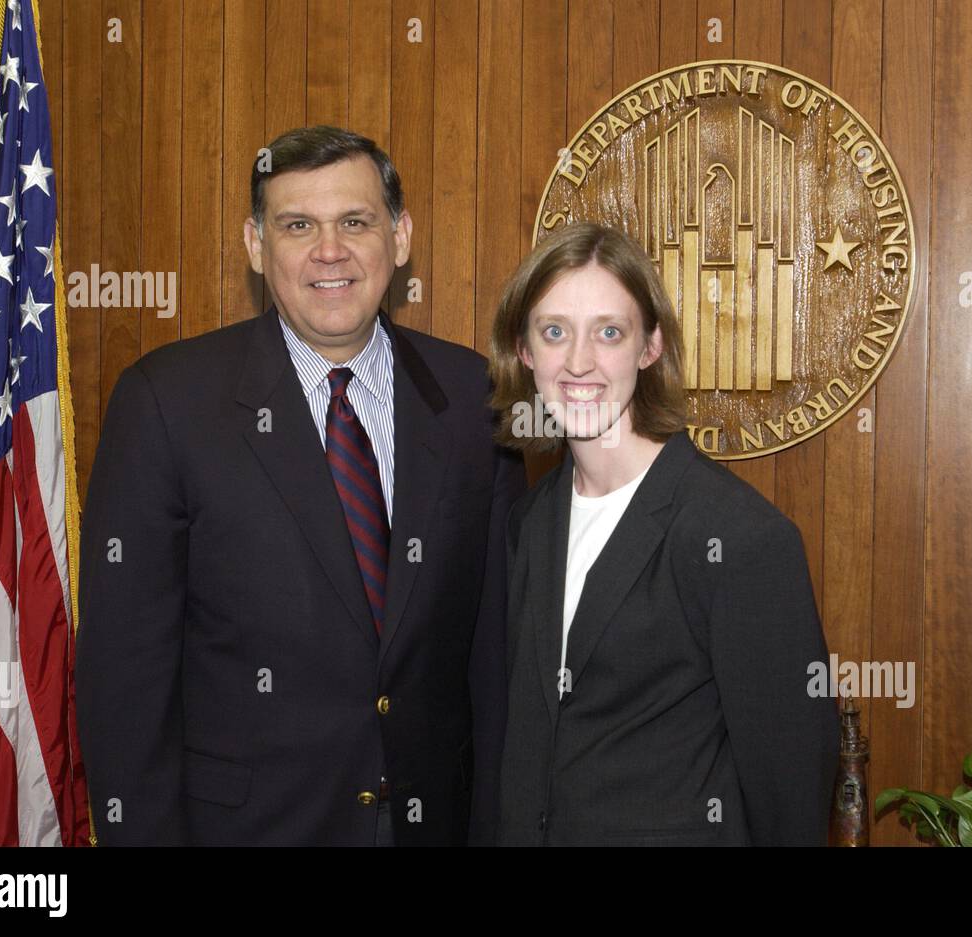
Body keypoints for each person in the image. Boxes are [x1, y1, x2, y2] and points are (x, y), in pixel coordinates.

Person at [76, 126, 525, 846]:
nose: (329, 251)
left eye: (355, 221)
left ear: (400, 237)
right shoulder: (166, 403)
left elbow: (495, 663)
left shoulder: (475, 397)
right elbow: (123, 686)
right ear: (257, 245)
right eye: (297, 226)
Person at [489, 222, 838, 845]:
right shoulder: (531, 519)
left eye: (609, 332)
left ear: (649, 347)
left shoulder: (740, 536)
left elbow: (791, 787)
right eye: (554, 332)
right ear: (524, 351)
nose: (578, 362)